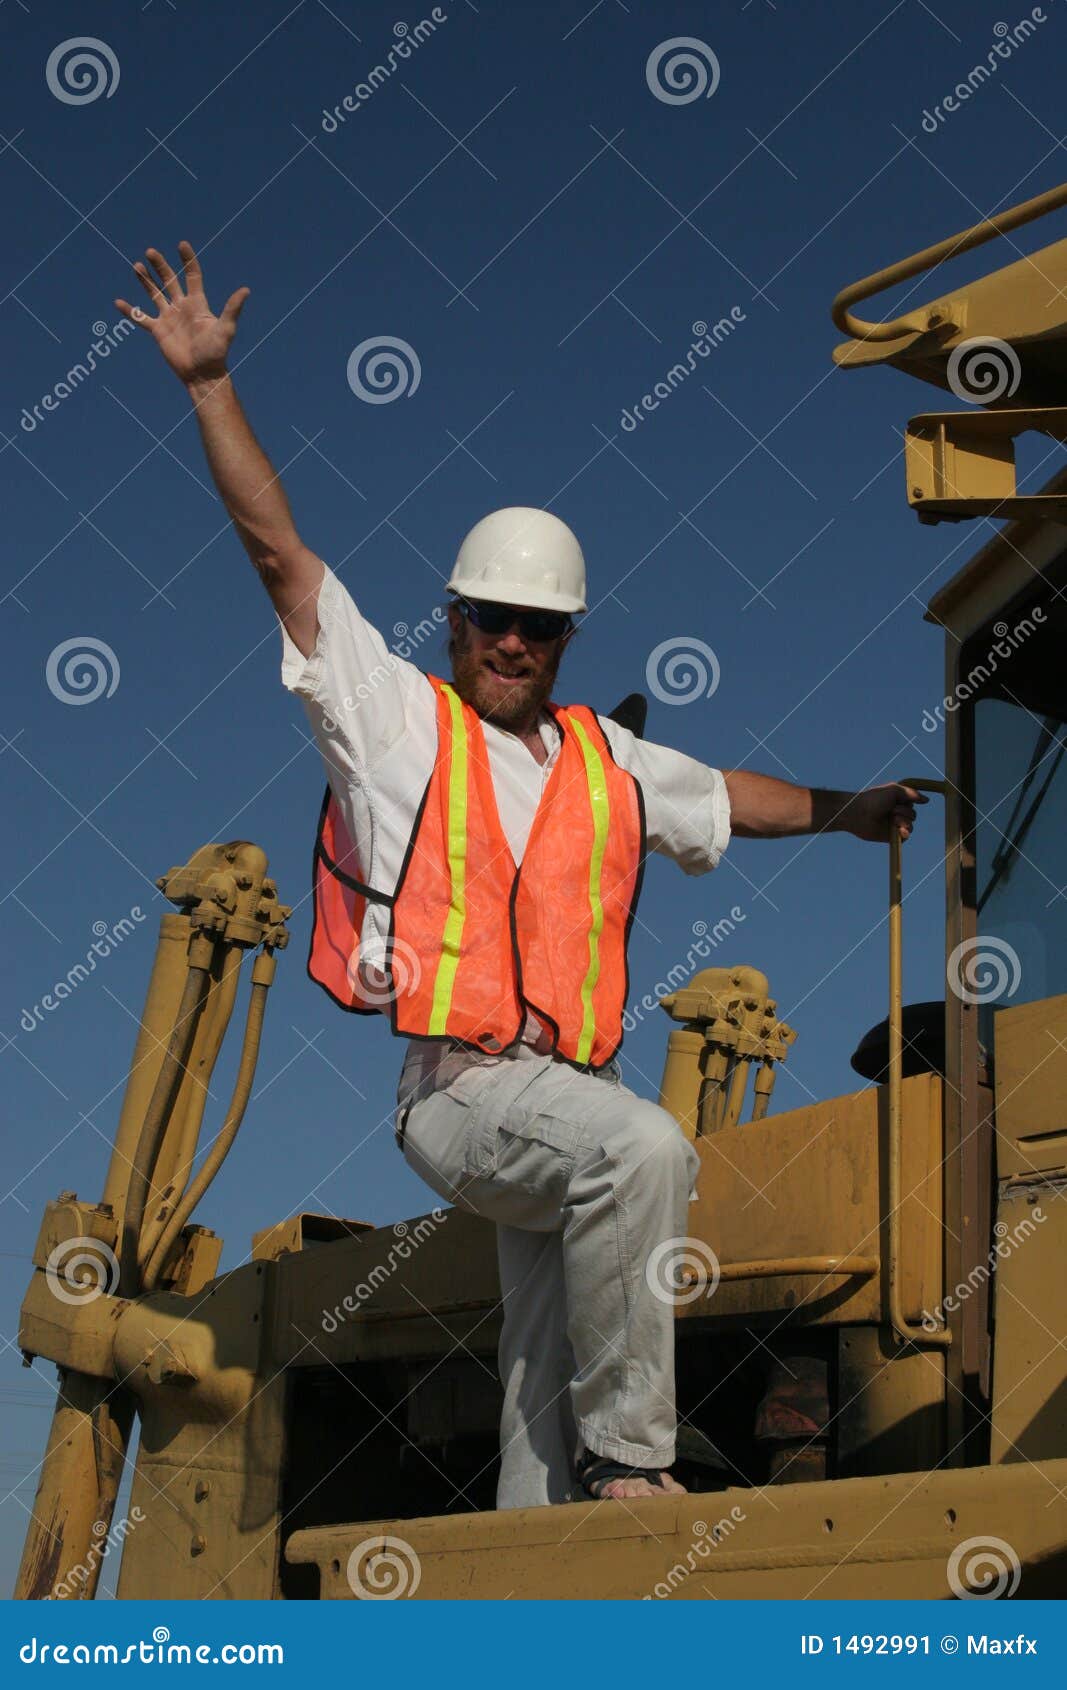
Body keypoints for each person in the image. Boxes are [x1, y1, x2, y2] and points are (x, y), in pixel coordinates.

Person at [117, 243, 924, 1510]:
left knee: (540, 1363)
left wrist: (850, 810)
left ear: (564, 639)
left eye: (536, 625)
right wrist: (211, 385)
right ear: (450, 621)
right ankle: (636, 1463)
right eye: (489, 617)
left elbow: (729, 798)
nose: (509, 639)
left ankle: (536, 1566)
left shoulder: (606, 758)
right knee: (647, 1154)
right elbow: (280, 557)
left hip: (562, 1100)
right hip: (460, 1091)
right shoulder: (393, 722)